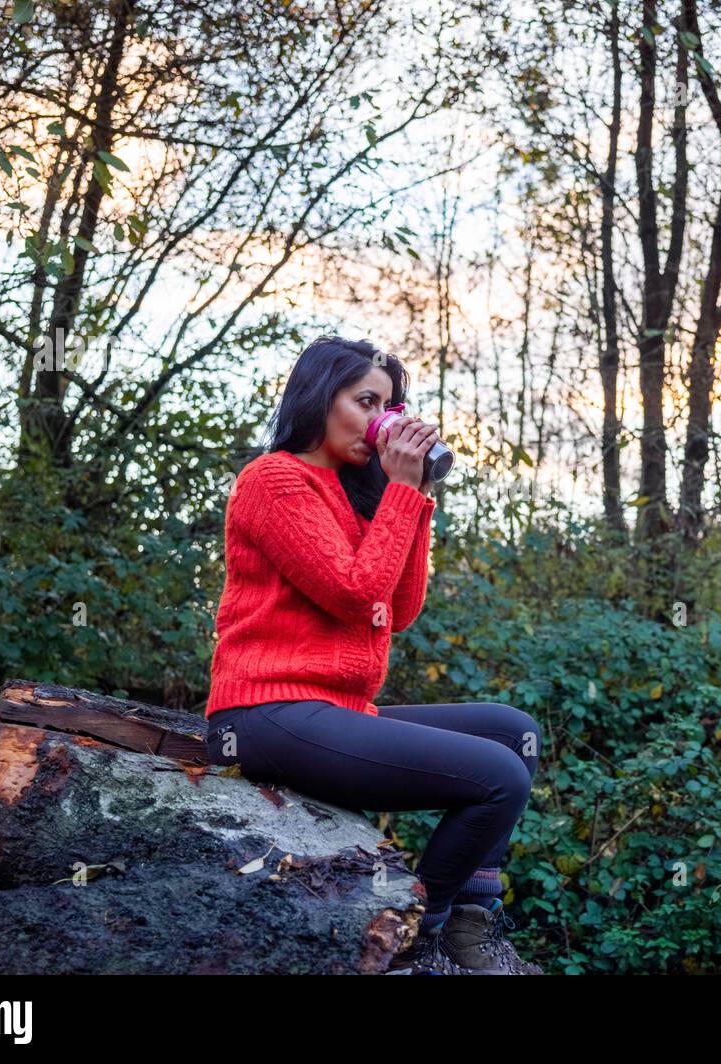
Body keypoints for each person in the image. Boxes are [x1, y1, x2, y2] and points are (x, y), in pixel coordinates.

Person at [203, 335, 543, 975]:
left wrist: (411, 501)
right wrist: (402, 494)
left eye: (390, 404)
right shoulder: (274, 480)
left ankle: (473, 922)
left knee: (513, 733)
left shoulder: (357, 497)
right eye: (366, 400)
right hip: (263, 712)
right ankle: (424, 935)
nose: (381, 417)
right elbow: (356, 593)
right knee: (500, 777)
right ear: (318, 397)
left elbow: (400, 608)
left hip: (336, 709)